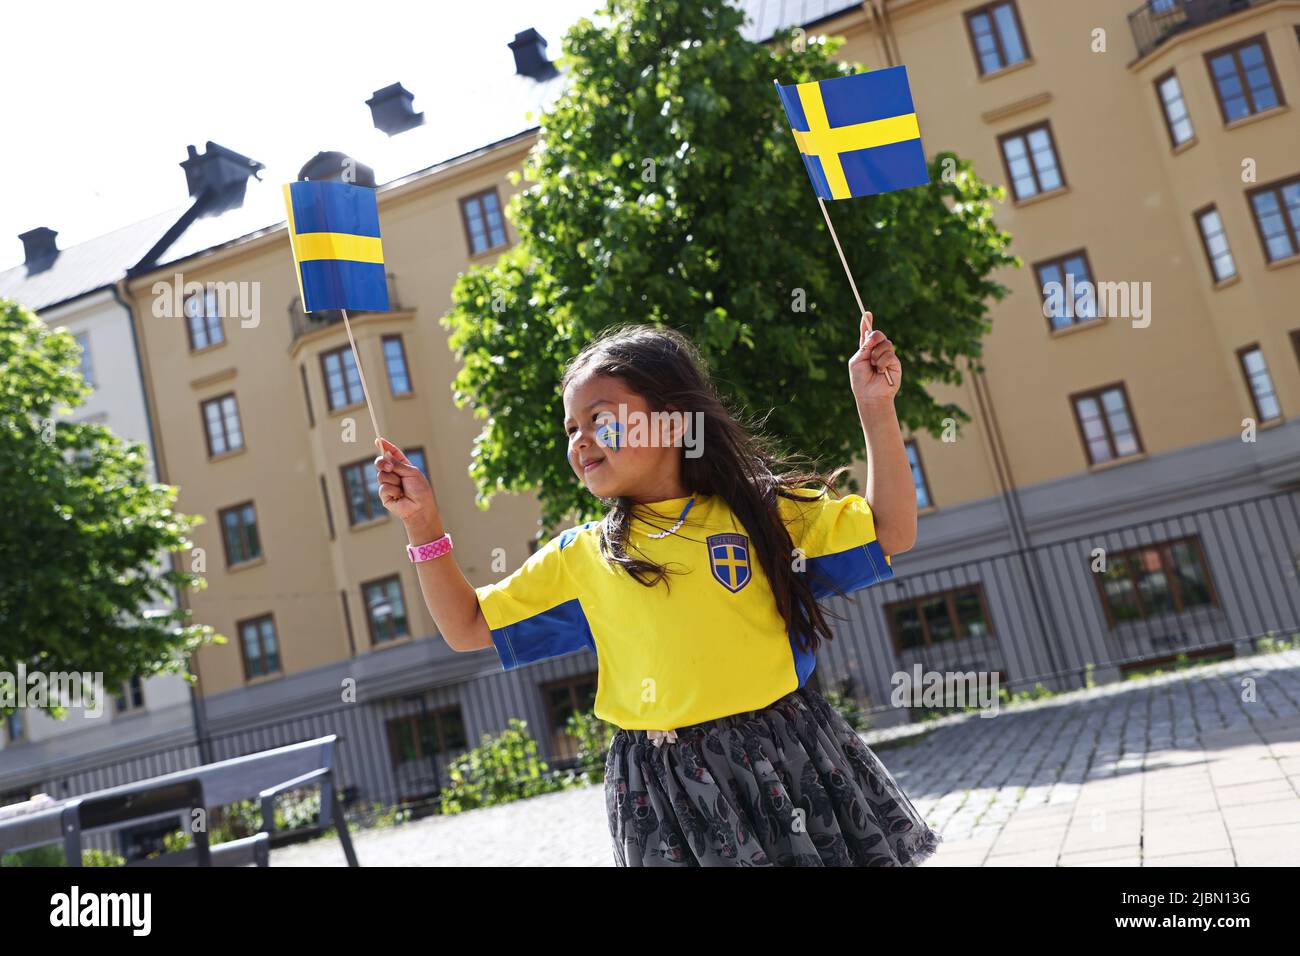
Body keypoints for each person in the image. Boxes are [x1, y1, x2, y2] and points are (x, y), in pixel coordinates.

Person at [373, 312, 942, 866]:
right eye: (571, 427)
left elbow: (891, 529)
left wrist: (875, 407)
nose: (580, 440)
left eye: (599, 418)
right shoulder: (583, 556)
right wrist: (423, 527)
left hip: (786, 759)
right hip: (666, 791)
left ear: (669, 420)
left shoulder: (761, 511)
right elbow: (467, 626)